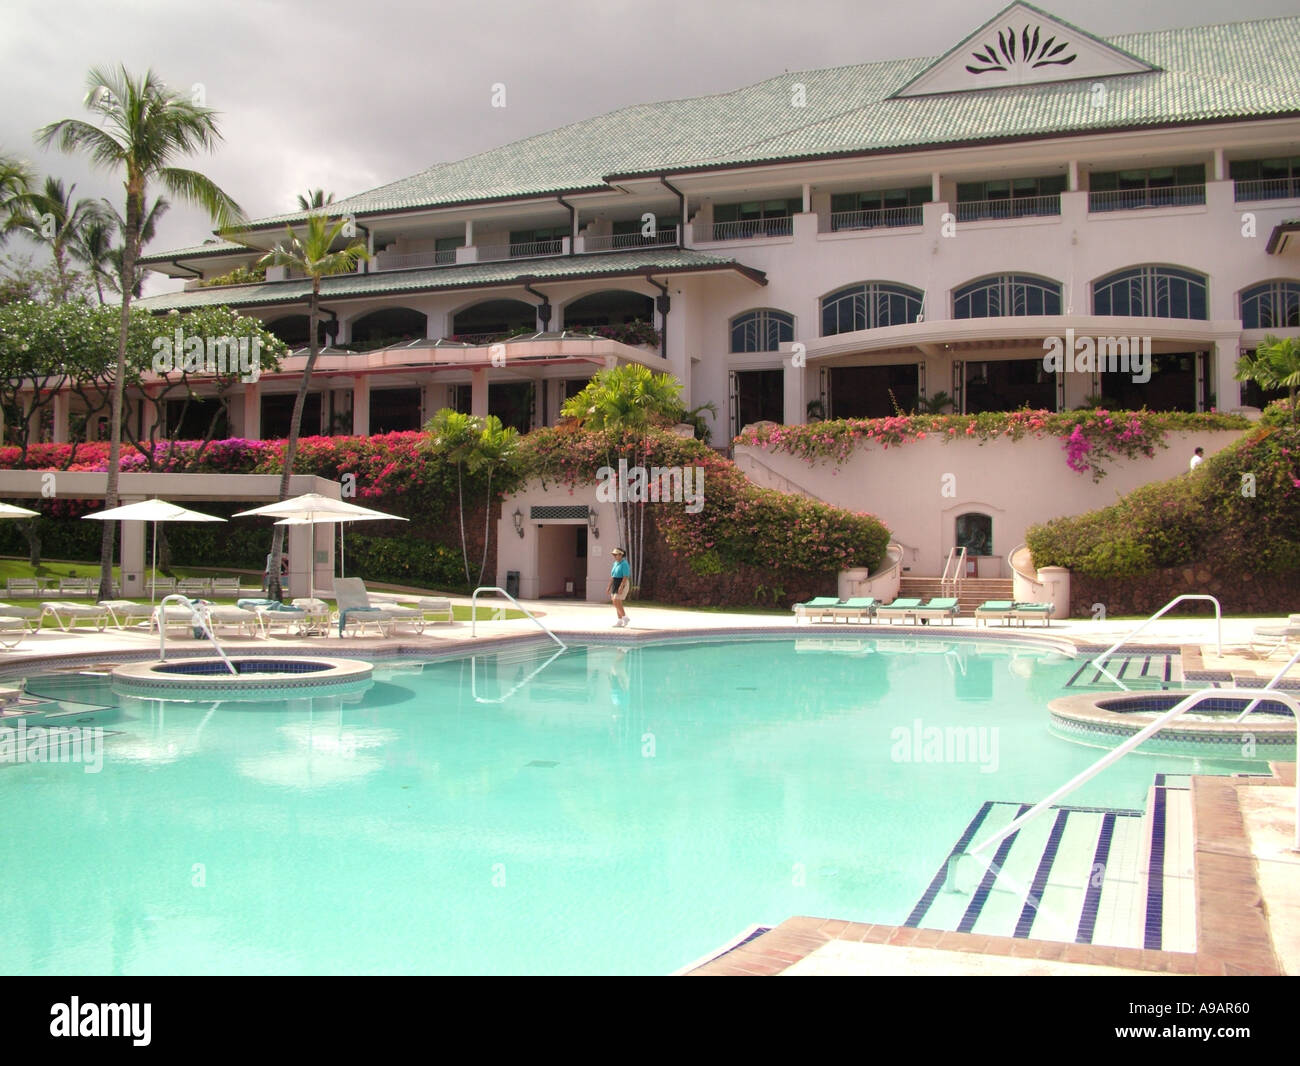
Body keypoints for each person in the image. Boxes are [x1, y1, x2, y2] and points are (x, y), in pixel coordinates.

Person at [607, 547, 630, 628]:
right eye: (614, 555)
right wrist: (609, 586)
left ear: (621, 555)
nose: (614, 556)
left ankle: (625, 617)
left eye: (616, 554)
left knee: (617, 600)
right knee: (614, 601)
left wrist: (621, 586)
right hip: (615, 583)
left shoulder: (625, 564)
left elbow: (625, 576)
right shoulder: (615, 563)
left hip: (622, 582)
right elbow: (613, 576)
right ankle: (620, 620)